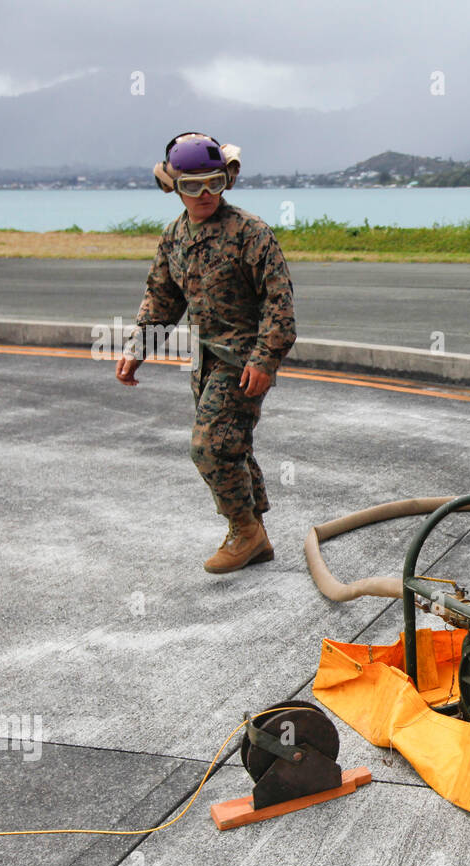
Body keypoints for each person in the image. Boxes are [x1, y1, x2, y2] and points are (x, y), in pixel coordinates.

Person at [115, 132, 296, 574]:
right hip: (205, 361)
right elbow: (162, 298)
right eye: (191, 186)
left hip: (242, 360)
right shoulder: (175, 237)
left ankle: (245, 532)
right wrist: (138, 348)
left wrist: (264, 359)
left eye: (213, 183)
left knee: (209, 447)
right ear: (173, 187)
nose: (204, 195)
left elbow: (279, 303)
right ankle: (256, 534)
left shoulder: (250, 233)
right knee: (233, 445)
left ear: (226, 181)